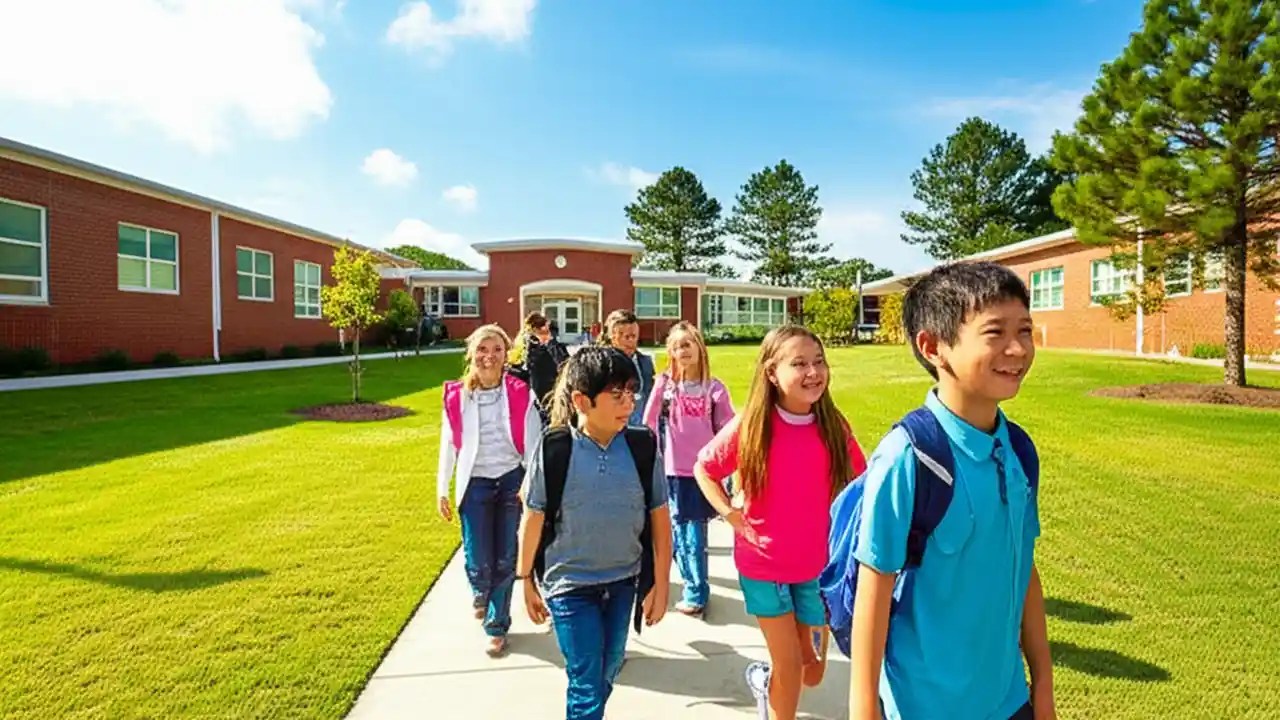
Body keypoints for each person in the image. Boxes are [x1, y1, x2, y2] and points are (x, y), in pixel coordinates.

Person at [847, 262, 1054, 720]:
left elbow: (1024, 572)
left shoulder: (1018, 450)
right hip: (924, 706)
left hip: (1008, 701)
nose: (1017, 349)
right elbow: (873, 595)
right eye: (995, 332)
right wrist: (863, 710)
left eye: (1025, 330)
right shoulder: (908, 457)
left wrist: (1042, 686)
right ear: (933, 346)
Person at [694, 325, 867, 720]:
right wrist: (730, 514)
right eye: (800, 364)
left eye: (819, 361)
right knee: (790, 667)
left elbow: (862, 482)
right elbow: (705, 467)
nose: (813, 372)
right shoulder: (753, 426)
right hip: (764, 567)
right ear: (772, 372)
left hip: (816, 571)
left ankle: (765, 683)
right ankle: (775, 699)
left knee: (813, 672)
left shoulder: (833, 426)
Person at [516, 346, 672, 720]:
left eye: (631, 393)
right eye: (616, 395)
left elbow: (660, 518)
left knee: (609, 666)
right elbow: (533, 517)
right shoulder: (555, 448)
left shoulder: (642, 445)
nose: (629, 403)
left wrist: (661, 583)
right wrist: (524, 580)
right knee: (586, 681)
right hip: (569, 584)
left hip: (623, 581)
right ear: (582, 401)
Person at [436, 324, 542, 657]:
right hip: (476, 483)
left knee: (506, 556)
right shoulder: (457, 395)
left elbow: (535, 442)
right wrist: (442, 488)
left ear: (506, 353)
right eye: (483, 349)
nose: (489, 356)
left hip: (511, 478)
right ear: (471, 354)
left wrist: (529, 483)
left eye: (497, 349)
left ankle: (497, 626)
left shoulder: (520, 391)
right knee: (477, 557)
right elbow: (449, 445)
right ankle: (480, 591)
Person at [641, 321, 735, 616]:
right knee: (679, 530)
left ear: (699, 348)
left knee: (693, 532)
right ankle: (691, 583)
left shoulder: (714, 388)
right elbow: (649, 424)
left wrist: (729, 471)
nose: (683, 350)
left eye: (688, 344)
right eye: (677, 346)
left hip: (702, 473)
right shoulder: (665, 386)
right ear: (670, 352)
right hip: (672, 471)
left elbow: (728, 430)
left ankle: (696, 590)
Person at [600, 309, 654, 426]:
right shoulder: (601, 364)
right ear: (611, 336)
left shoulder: (646, 363)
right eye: (625, 336)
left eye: (634, 336)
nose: (631, 341)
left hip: (641, 431)